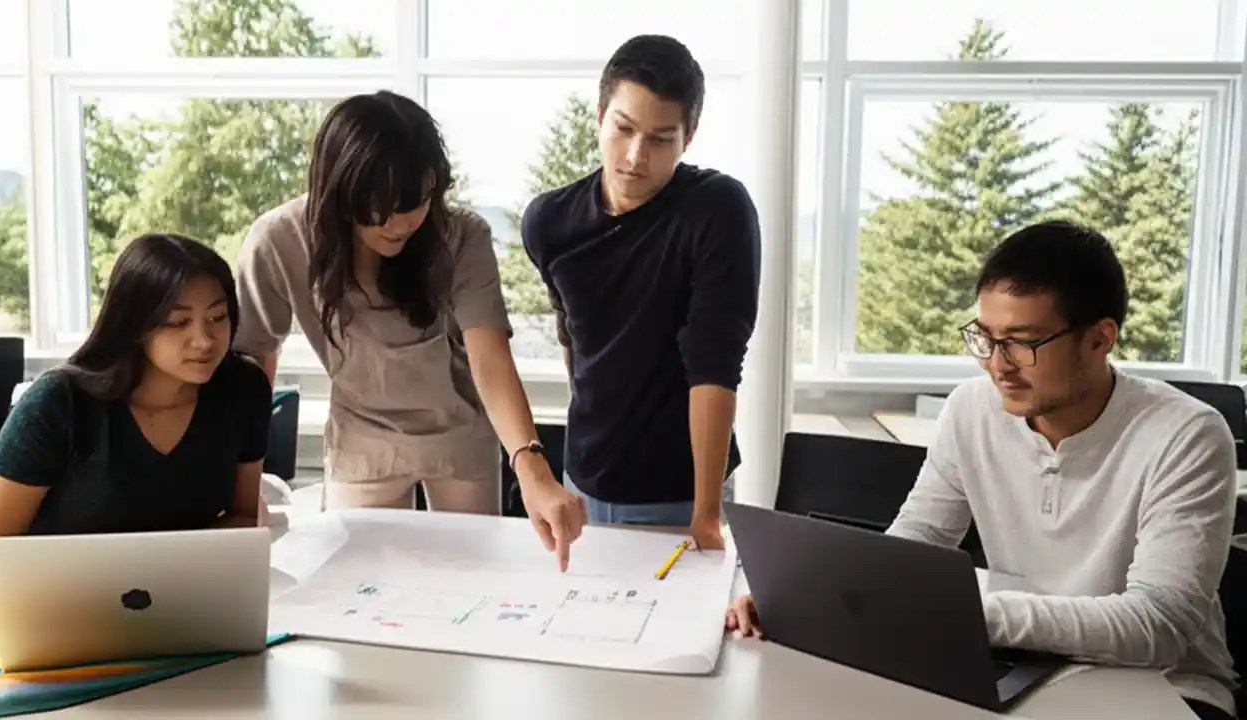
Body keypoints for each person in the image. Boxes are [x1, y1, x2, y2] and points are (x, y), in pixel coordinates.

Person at [725, 221, 1238, 720]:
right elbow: (916, 540)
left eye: (1021, 342)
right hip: (1026, 661)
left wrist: (968, 616)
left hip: (1166, 688)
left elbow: (1159, 625)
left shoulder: (1186, 435)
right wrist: (807, 596)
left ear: (1100, 340)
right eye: (985, 337)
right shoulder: (972, 408)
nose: (997, 364)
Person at [233, 90, 586, 570]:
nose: (404, 222)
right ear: (340, 191)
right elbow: (254, 365)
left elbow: (489, 358)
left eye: (419, 201)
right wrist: (242, 488)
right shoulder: (279, 240)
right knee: (359, 584)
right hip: (363, 435)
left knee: (471, 580)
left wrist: (533, 468)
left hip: (458, 428)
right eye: (384, 208)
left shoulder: (461, 236)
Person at [521, 35, 761, 547]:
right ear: (600, 114)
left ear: (688, 136)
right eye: (623, 129)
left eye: (659, 139)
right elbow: (575, 340)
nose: (635, 156)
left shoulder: (718, 211)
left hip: (682, 493)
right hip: (583, 484)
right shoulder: (549, 222)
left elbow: (715, 366)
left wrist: (706, 514)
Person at [0, 233, 271, 592]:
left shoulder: (243, 389)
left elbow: (243, 517)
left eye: (218, 317)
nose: (205, 340)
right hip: (60, 604)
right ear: (134, 324)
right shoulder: (58, 403)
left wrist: (164, 574)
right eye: (177, 322)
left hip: (185, 599)